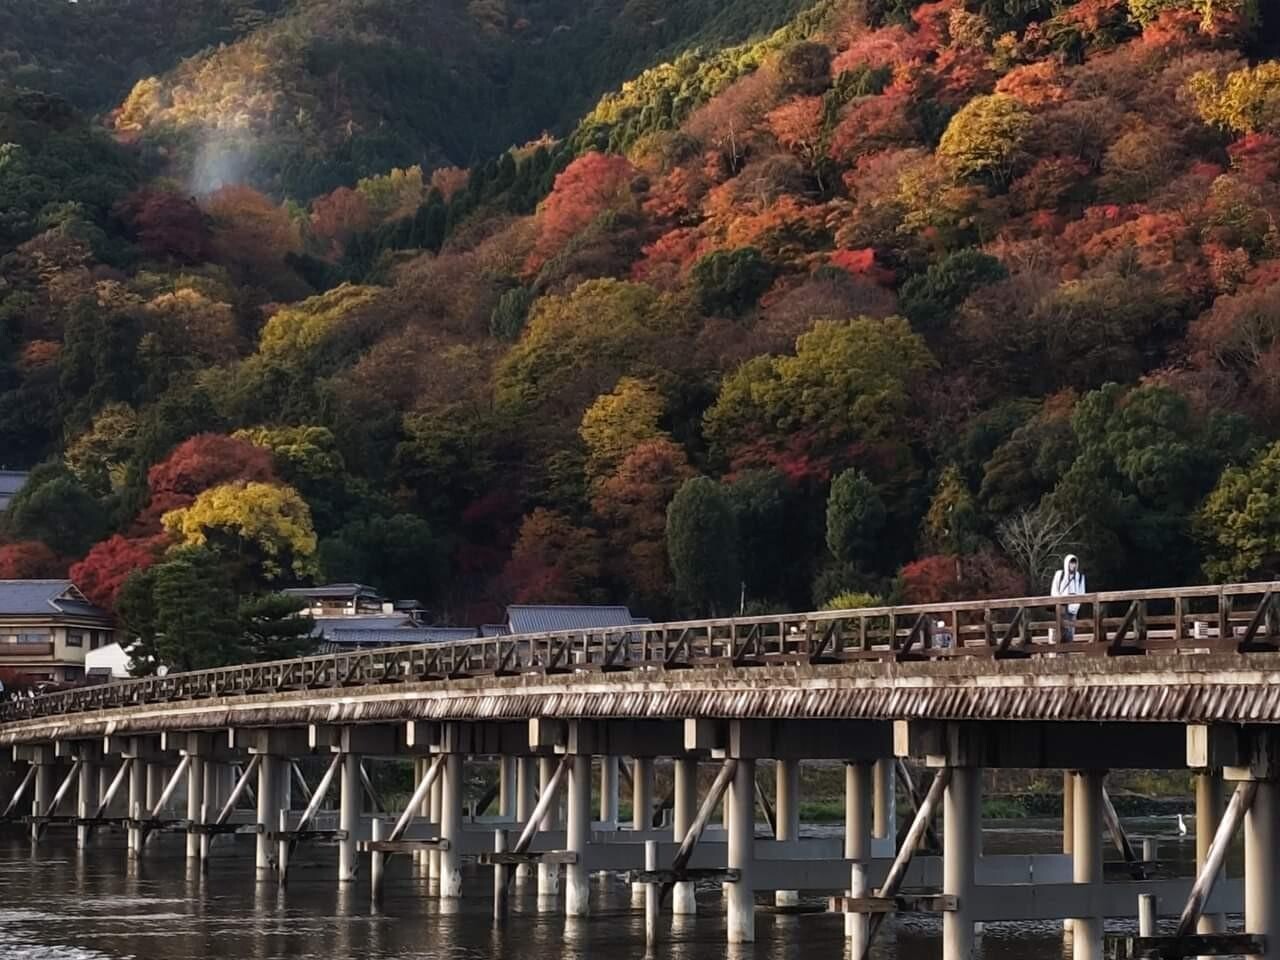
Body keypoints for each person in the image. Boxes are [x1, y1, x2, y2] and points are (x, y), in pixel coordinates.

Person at [1051, 554, 1086, 642]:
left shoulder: (1080, 577)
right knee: (1060, 632)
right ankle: (1059, 653)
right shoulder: (1060, 574)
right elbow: (1054, 590)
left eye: (1074, 563)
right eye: (1071, 563)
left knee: (1070, 633)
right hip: (1061, 608)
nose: (1073, 565)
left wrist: (1076, 606)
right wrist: (1059, 603)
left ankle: (1067, 653)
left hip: (1073, 609)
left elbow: (1082, 593)